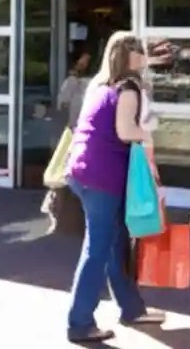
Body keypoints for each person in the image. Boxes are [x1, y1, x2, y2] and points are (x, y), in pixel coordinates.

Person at [62, 31, 164, 342]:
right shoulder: (129, 88)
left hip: (82, 171)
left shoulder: (100, 86)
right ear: (131, 56)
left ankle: (131, 307)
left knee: (113, 242)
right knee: (98, 247)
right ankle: (79, 322)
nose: (145, 56)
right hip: (101, 177)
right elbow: (125, 130)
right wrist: (147, 134)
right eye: (141, 51)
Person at [56, 47, 92, 128]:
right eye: (83, 62)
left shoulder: (90, 81)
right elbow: (62, 104)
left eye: (87, 61)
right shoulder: (71, 81)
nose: (86, 64)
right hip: (74, 125)